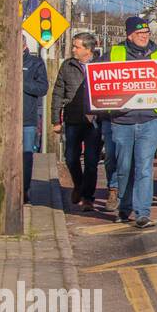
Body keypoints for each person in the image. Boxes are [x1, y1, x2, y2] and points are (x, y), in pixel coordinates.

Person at [106, 16, 157, 229]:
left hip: (149, 119)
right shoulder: (114, 53)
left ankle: (142, 213)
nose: (144, 37)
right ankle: (124, 208)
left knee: (145, 167)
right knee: (124, 168)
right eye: (139, 34)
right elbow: (98, 79)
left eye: (146, 33)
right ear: (129, 35)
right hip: (122, 120)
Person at [52, 32, 101, 212]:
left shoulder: (101, 64)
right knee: (71, 158)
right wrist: (55, 120)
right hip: (73, 119)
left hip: (94, 121)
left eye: (77, 46)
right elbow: (58, 93)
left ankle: (88, 197)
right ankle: (78, 185)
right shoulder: (68, 66)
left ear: (88, 49)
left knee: (91, 161)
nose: (73, 49)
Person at [21, 42, 48, 204]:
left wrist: (21, 82)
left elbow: (42, 88)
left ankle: (24, 190)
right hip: (4, 120)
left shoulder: (35, 63)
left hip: (27, 119)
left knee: (26, 157)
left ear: (24, 45)